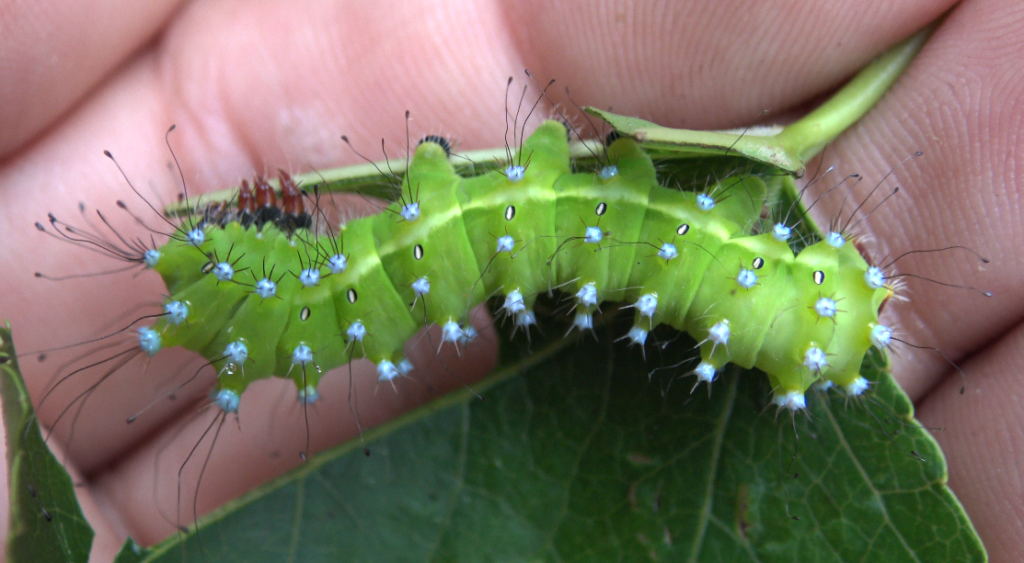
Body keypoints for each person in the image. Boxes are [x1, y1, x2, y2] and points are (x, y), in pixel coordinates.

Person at [0, 0, 1016, 561]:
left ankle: (796, 311)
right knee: (570, 233)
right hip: (766, 295)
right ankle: (800, 313)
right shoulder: (431, 233)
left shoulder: (407, 254)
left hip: (756, 290)